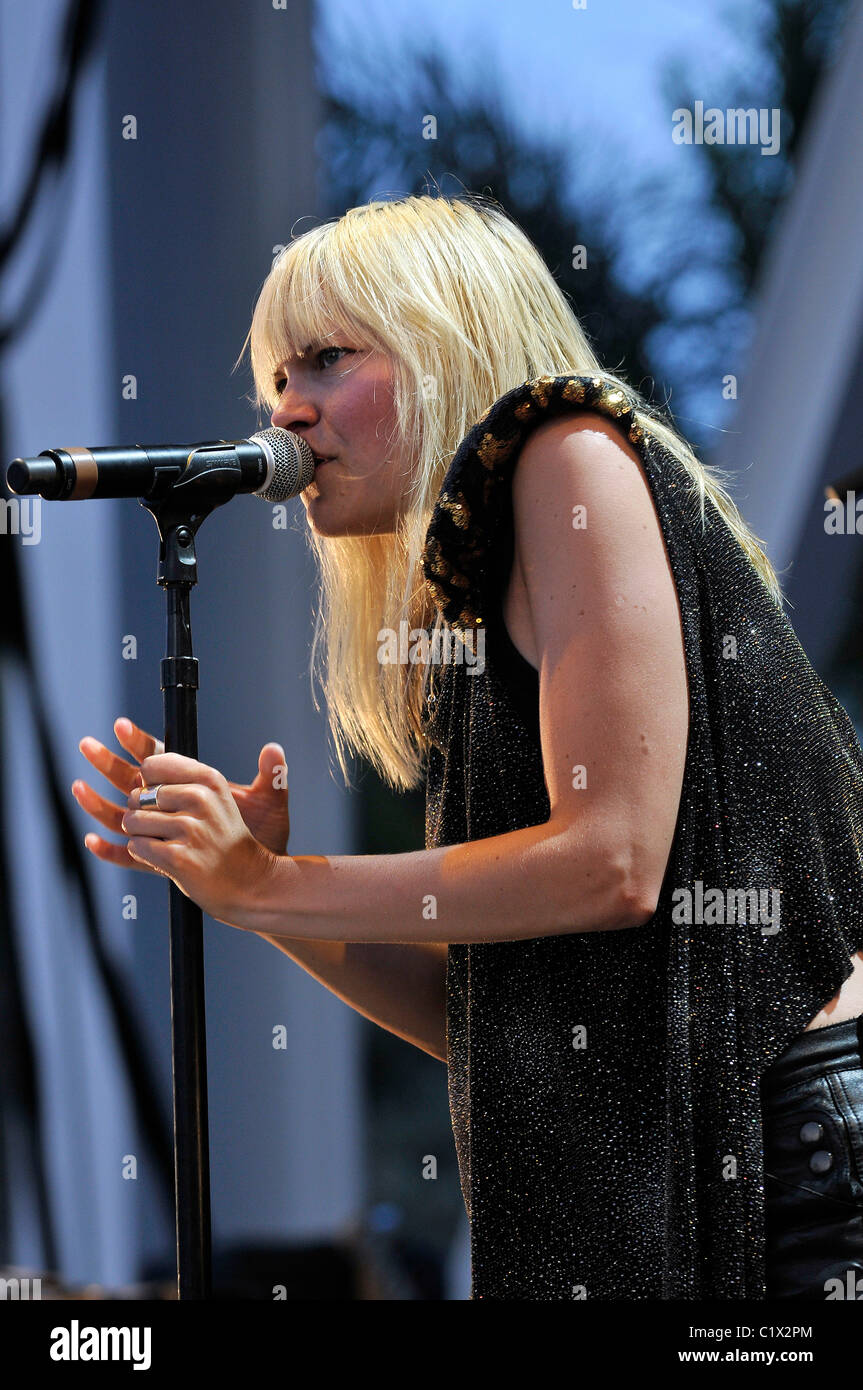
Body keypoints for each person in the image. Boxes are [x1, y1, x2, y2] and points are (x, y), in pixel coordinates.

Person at [71, 192, 863, 1300]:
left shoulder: (562, 452)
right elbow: (492, 1028)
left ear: (447, 337)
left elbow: (612, 861)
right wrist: (258, 903)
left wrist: (283, 878)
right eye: (274, 383)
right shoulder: (471, 602)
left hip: (792, 1173)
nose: (287, 412)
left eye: (326, 360)